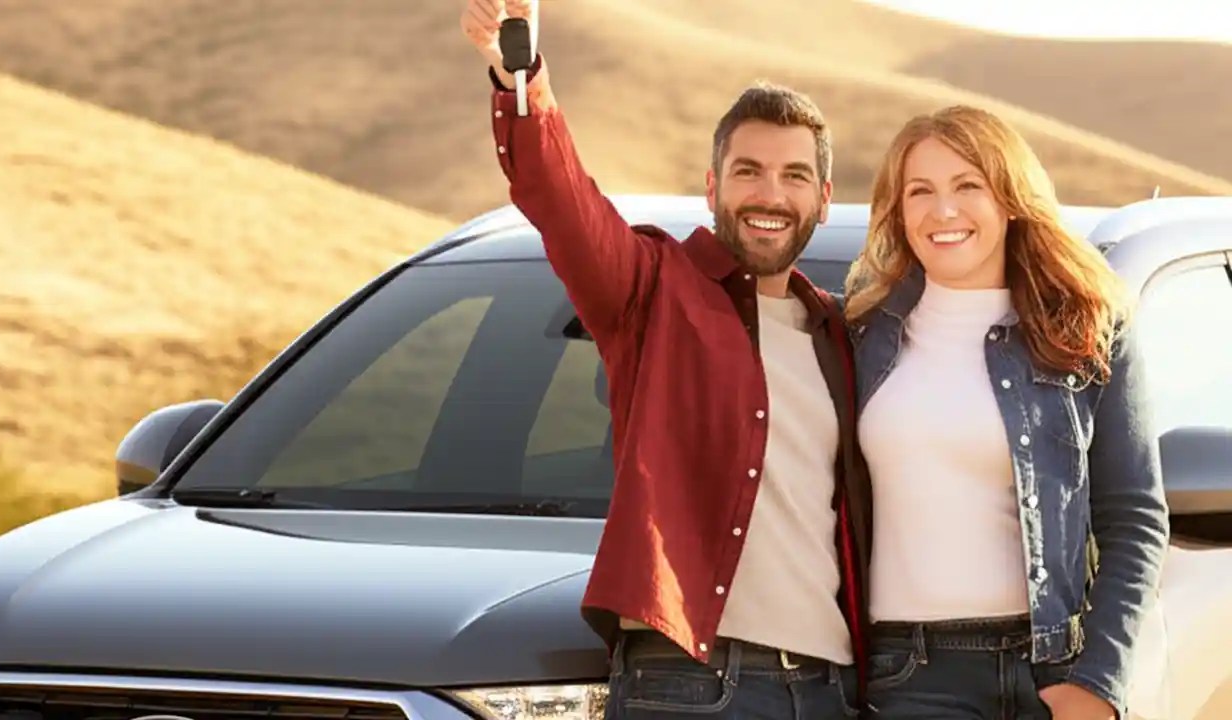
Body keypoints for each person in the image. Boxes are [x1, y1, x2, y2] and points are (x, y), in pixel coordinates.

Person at [460, 0, 872, 718]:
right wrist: (521, 78)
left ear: (824, 198)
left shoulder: (841, 334)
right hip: (689, 686)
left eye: (793, 176)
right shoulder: (652, 290)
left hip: (830, 691)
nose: (769, 195)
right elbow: (564, 204)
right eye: (748, 171)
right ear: (712, 188)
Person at [843, 104, 1169, 719]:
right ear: (898, 207)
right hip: (912, 677)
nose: (943, 211)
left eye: (968, 186)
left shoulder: (1088, 331)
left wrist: (1098, 683)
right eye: (921, 191)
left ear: (1011, 199)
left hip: (1055, 672)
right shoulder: (859, 336)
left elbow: (1135, 519)